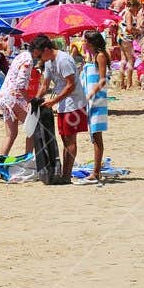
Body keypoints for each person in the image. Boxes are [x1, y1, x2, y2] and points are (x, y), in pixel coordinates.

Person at [30, 33, 85, 182]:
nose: (39, 59)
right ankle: (63, 173)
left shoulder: (64, 60)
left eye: (39, 55)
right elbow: (45, 84)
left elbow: (71, 85)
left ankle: (66, 176)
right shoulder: (48, 62)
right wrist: (37, 99)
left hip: (74, 103)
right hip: (62, 104)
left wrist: (53, 101)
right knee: (64, 138)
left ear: (47, 49)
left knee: (70, 140)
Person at [80, 30, 111, 183]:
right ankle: (96, 171)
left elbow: (103, 80)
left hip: (97, 100)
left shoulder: (100, 56)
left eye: (85, 41)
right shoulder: (93, 56)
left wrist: (90, 94)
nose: (83, 43)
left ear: (91, 43)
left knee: (96, 135)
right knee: (94, 134)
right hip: (93, 99)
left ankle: (96, 172)